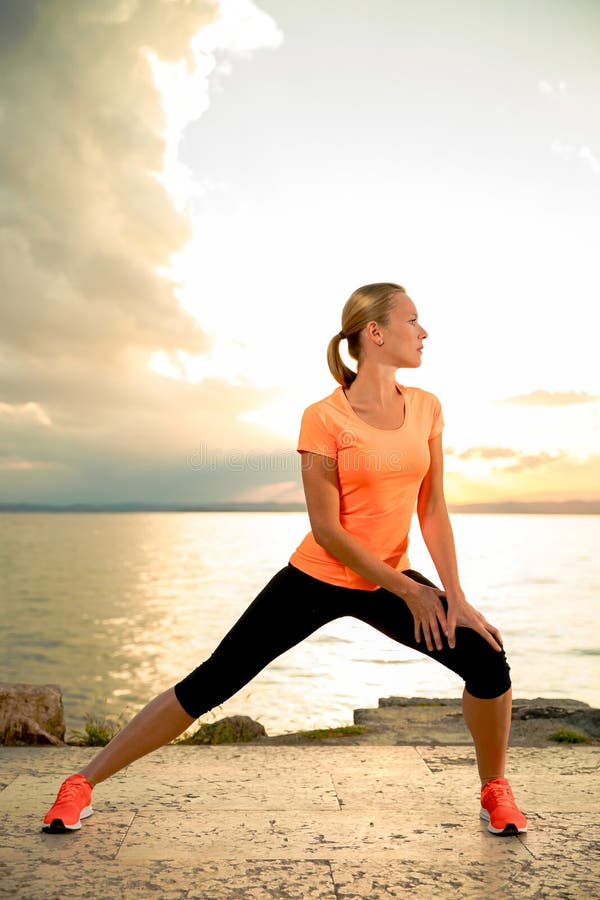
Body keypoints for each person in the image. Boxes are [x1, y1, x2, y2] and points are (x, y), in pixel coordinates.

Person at [42, 282, 527, 837]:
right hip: (318, 578)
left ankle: (494, 788)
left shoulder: (427, 408)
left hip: (389, 581)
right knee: (211, 683)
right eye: (412, 320)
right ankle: (81, 783)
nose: (424, 332)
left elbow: (432, 508)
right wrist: (410, 590)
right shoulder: (323, 417)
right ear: (375, 333)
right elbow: (327, 531)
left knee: (487, 660)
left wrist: (454, 597)